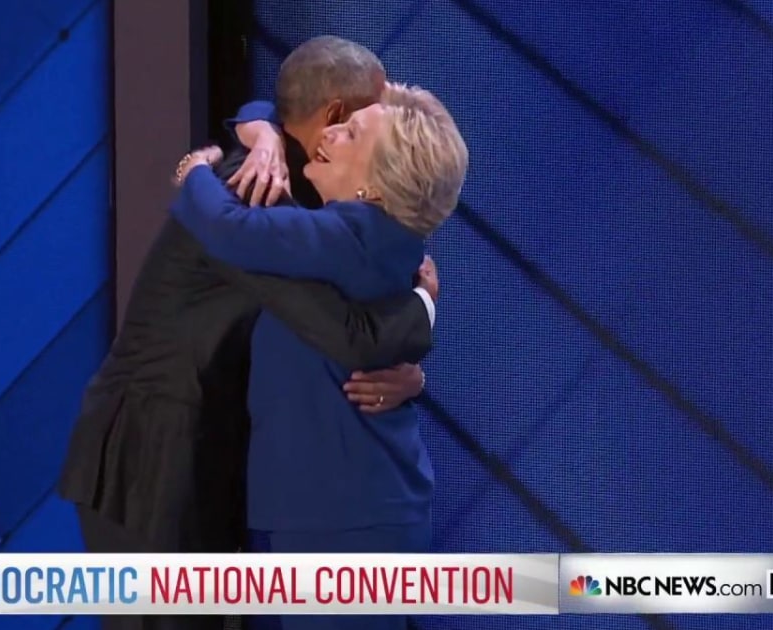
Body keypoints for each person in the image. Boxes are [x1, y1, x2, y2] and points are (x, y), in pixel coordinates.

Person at [57, 37, 438, 630]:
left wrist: (410, 371)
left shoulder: (317, 190)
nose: (385, 115)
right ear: (336, 118)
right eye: (371, 110)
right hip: (153, 457)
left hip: (206, 449)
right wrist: (422, 309)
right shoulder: (251, 193)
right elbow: (344, 333)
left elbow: (339, 321)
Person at [172, 82, 468, 630]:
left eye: (350, 131)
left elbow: (225, 226)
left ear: (376, 186)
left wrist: (195, 169)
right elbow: (271, 108)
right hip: (351, 509)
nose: (329, 132)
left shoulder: (339, 235)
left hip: (340, 520)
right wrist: (263, 133)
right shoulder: (389, 238)